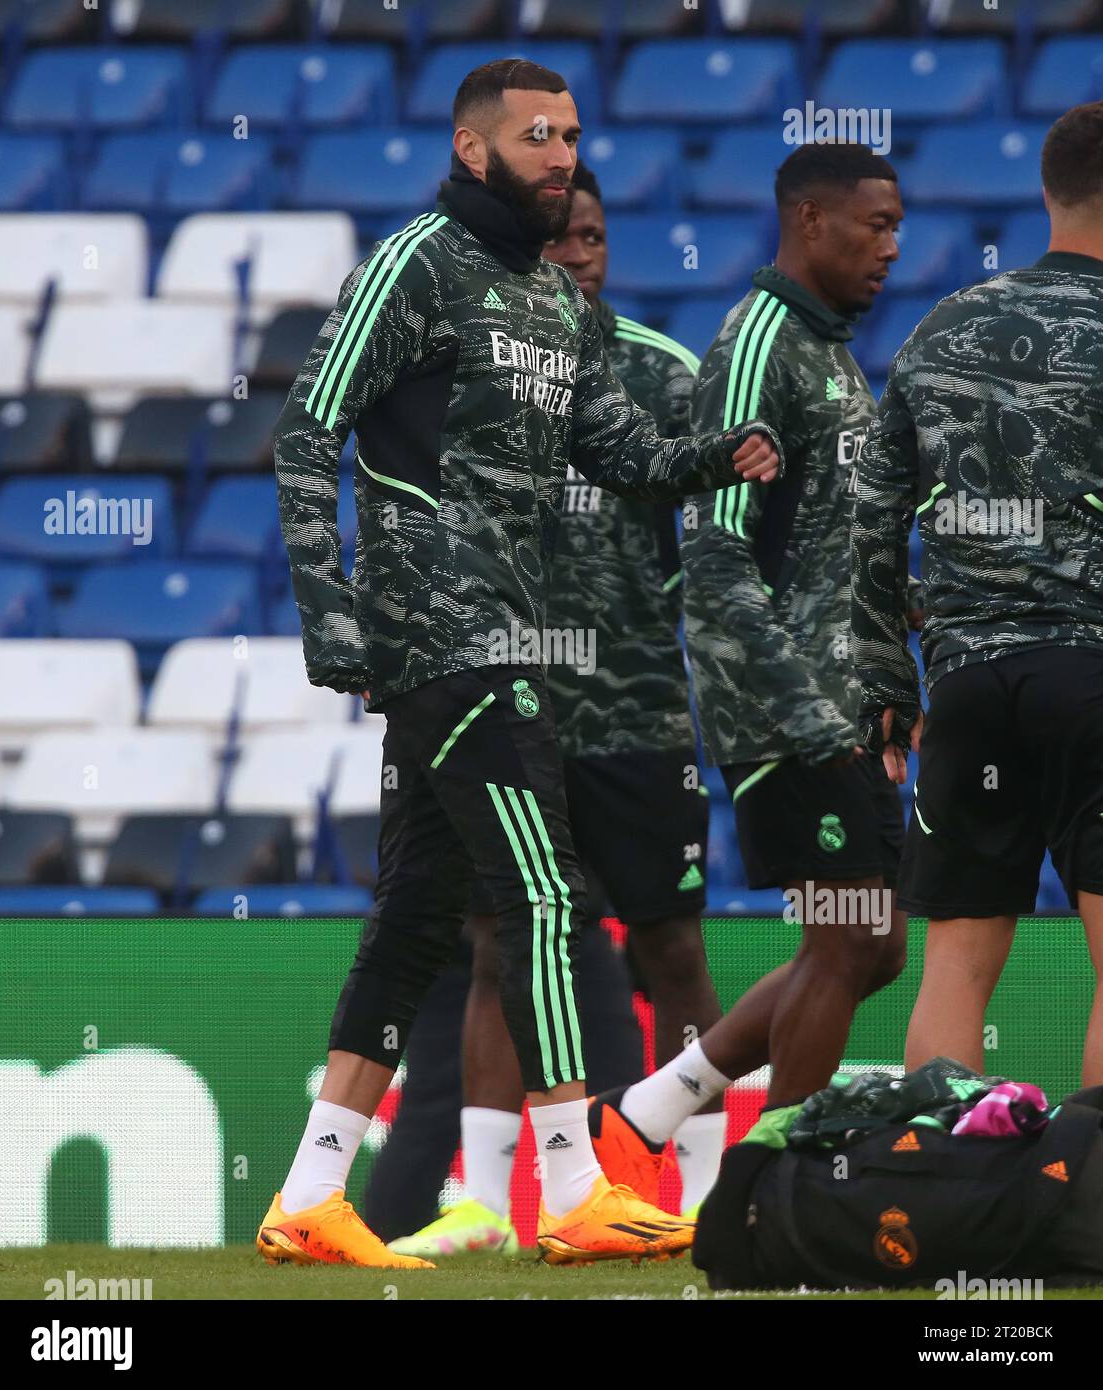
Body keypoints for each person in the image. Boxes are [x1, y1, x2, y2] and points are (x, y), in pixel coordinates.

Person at [261, 58, 782, 1269]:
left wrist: (721, 455)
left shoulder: (556, 302)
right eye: (539, 136)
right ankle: (575, 1180)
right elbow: (304, 429)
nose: (562, 155)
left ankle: (307, 1189)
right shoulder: (416, 263)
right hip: (445, 632)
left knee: (418, 919)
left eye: (574, 137)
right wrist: (332, 616)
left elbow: (620, 449)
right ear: (472, 146)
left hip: (509, 627)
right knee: (546, 897)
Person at [384, 163, 725, 1260]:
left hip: (636, 716)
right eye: (558, 241)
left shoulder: (664, 375)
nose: (576, 256)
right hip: (501, 702)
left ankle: (708, 1196)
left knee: (671, 948)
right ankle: (484, 1206)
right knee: (498, 942)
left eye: (592, 237)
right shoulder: (481, 362)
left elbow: (710, 545)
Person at [586, 142, 915, 1197]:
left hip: (843, 699)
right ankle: (767, 1191)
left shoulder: (830, 347)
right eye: (874, 225)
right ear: (809, 220)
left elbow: (830, 542)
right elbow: (718, 557)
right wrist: (800, 707)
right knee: (843, 939)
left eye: (900, 226)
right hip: (788, 706)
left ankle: (658, 1098)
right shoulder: (760, 342)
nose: (892, 248)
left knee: (879, 944)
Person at [851, 100, 1103, 1088]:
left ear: (1048, 190)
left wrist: (894, 689)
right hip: (1091, 675)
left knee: (955, 962)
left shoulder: (940, 327)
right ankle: (1088, 1207)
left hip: (966, 687)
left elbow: (869, 527)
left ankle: (927, 1190)